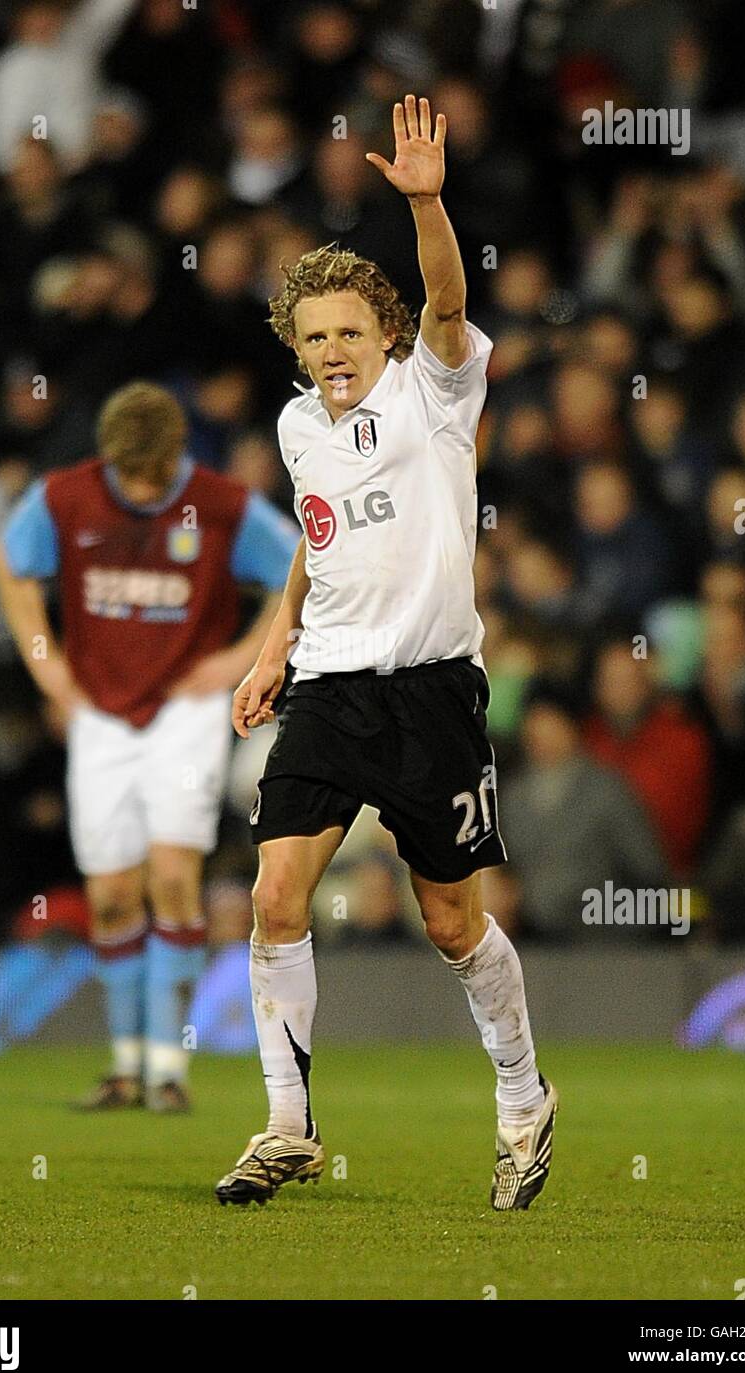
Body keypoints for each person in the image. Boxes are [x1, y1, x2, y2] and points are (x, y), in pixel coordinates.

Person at [214, 96, 557, 1214]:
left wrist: (425, 204)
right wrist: (273, 654)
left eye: (348, 333)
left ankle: (522, 1097)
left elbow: (452, 296)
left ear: (387, 334)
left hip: (432, 694)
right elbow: (318, 551)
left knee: (450, 920)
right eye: (312, 338)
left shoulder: (438, 388)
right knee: (273, 895)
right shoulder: (298, 430)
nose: (330, 353)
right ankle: (286, 1124)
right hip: (329, 690)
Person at [0, 382, 298, 1111]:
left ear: (174, 457)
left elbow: (298, 568)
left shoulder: (221, 507)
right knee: (110, 896)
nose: (136, 489)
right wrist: (45, 662)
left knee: (171, 879)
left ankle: (168, 1067)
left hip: (185, 711)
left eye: (149, 476)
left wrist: (242, 661)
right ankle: (125, 1065)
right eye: (124, 476)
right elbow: (12, 566)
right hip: (99, 710)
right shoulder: (66, 498)